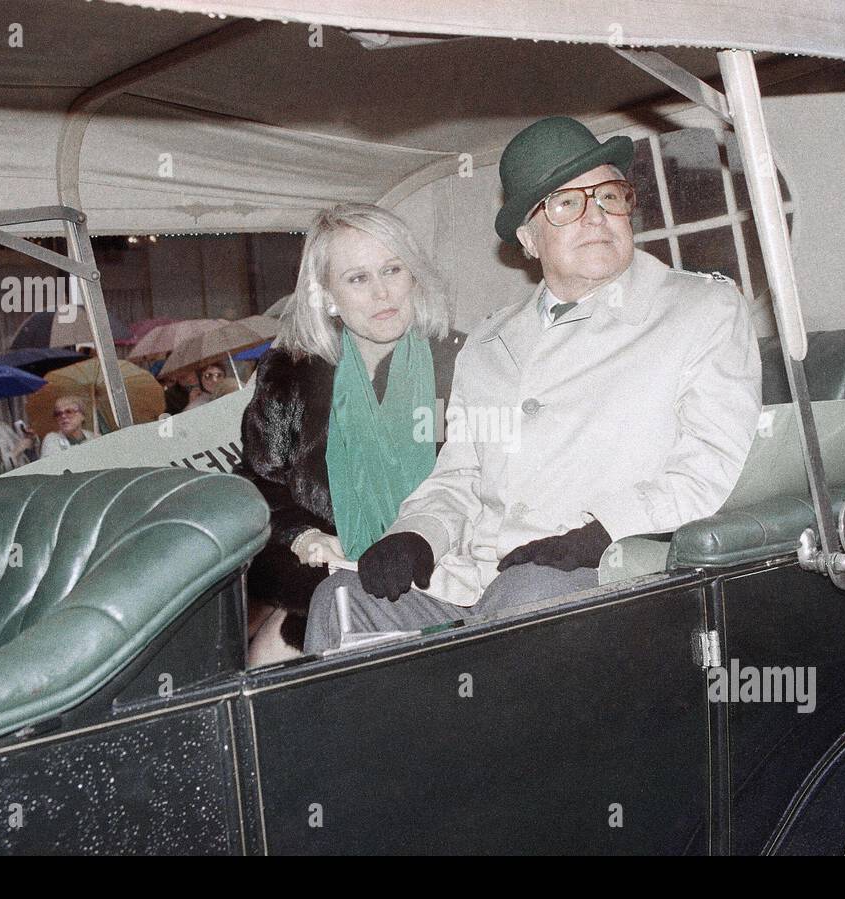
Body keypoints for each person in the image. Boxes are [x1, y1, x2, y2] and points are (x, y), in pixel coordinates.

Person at [303, 116, 762, 653]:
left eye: (609, 196)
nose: (596, 216)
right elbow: (462, 474)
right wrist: (417, 535)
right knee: (343, 598)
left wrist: (604, 531)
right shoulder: (491, 339)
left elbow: (715, 464)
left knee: (524, 600)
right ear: (527, 238)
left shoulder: (699, 310)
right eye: (567, 203)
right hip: (478, 580)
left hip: (619, 576)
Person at [238, 203, 464, 651]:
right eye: (358, 278)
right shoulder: (290, 375)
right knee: (267, 666)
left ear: (414, 275)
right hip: (326, 586)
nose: (382, 293)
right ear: (326, 295)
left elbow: (486, 484)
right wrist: (302, 535)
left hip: (452, 586)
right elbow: (254, 485)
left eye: (392, 269)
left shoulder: (462, 362)